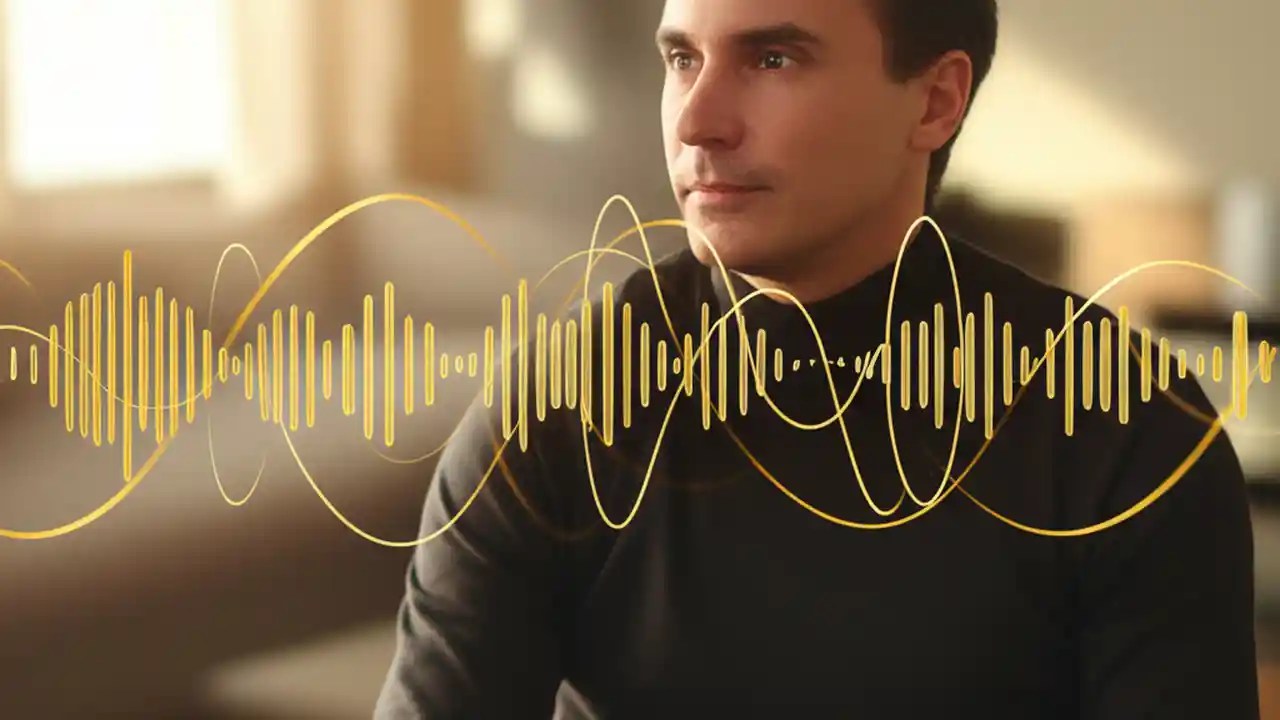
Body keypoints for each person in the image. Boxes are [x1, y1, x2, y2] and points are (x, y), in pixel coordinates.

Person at [374, 0, 1259, 716]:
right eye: (682, 59)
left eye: (773, 59)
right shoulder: (562, 408)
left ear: (935, 101)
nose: (698, 120)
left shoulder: (1125, 427)